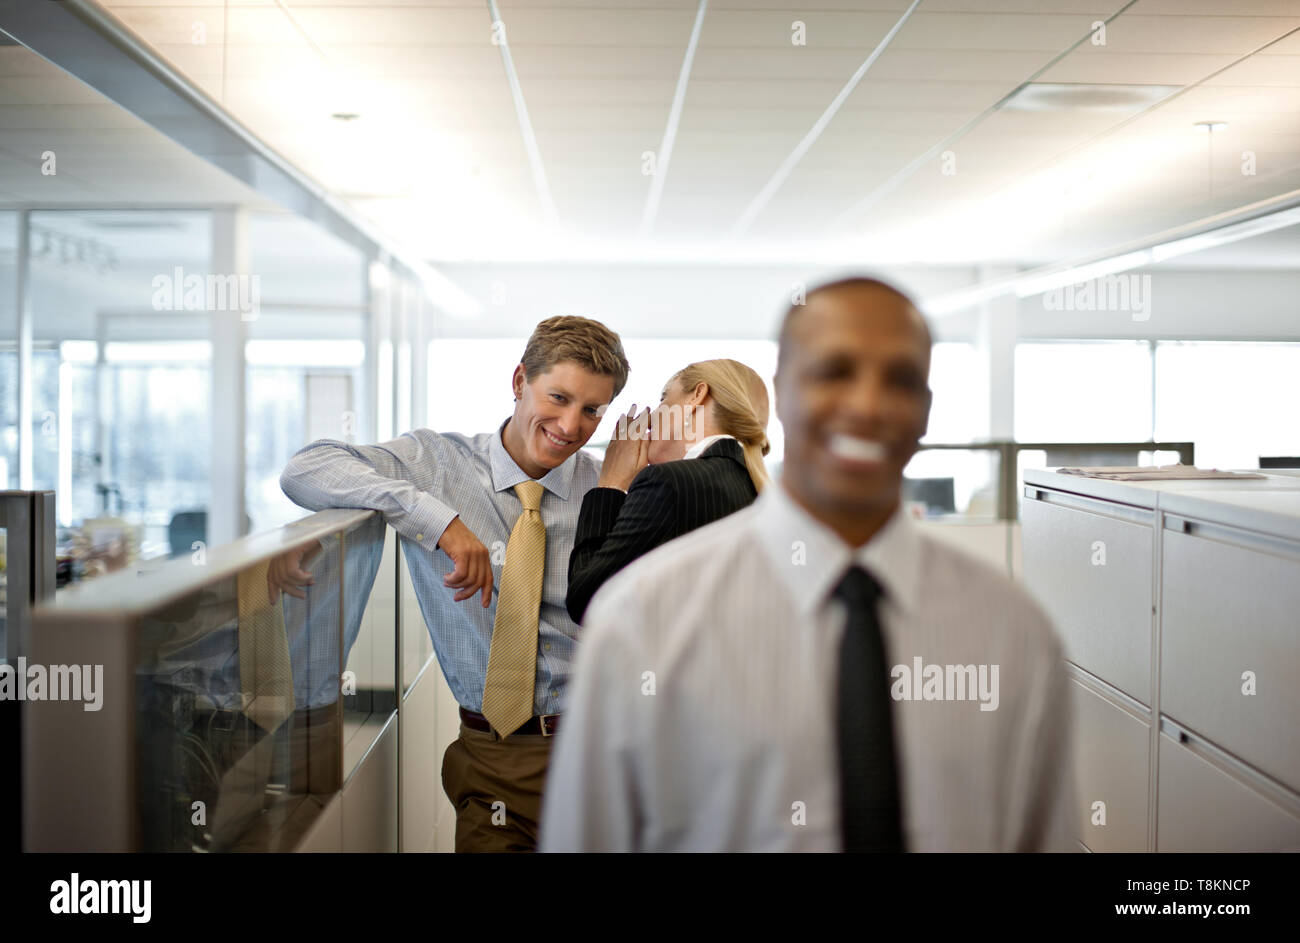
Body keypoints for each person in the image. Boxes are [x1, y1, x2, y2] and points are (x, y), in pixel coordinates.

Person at [540, 278, 1075, 852]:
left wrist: (621, 482)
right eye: (834, 372)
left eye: (899, 378)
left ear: (926, 408)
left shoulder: (1013, 633)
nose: (866, 404)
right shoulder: (646, 618)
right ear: (784, 392)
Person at [279, 316, 629, 853]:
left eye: (592, 410)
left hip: (598, 750)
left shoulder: (607, 488)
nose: (570, 424)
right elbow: (307, 468)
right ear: (519, 382)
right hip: (492, 757)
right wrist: (438, 520)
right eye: (557, 397)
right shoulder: (437, 464)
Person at [566, 358, 771, 624]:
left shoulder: (667, 484)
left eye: (664, 399)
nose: (651, 419)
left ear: (697, 395)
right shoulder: (761, 493)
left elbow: (589, 603)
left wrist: (610, 485)